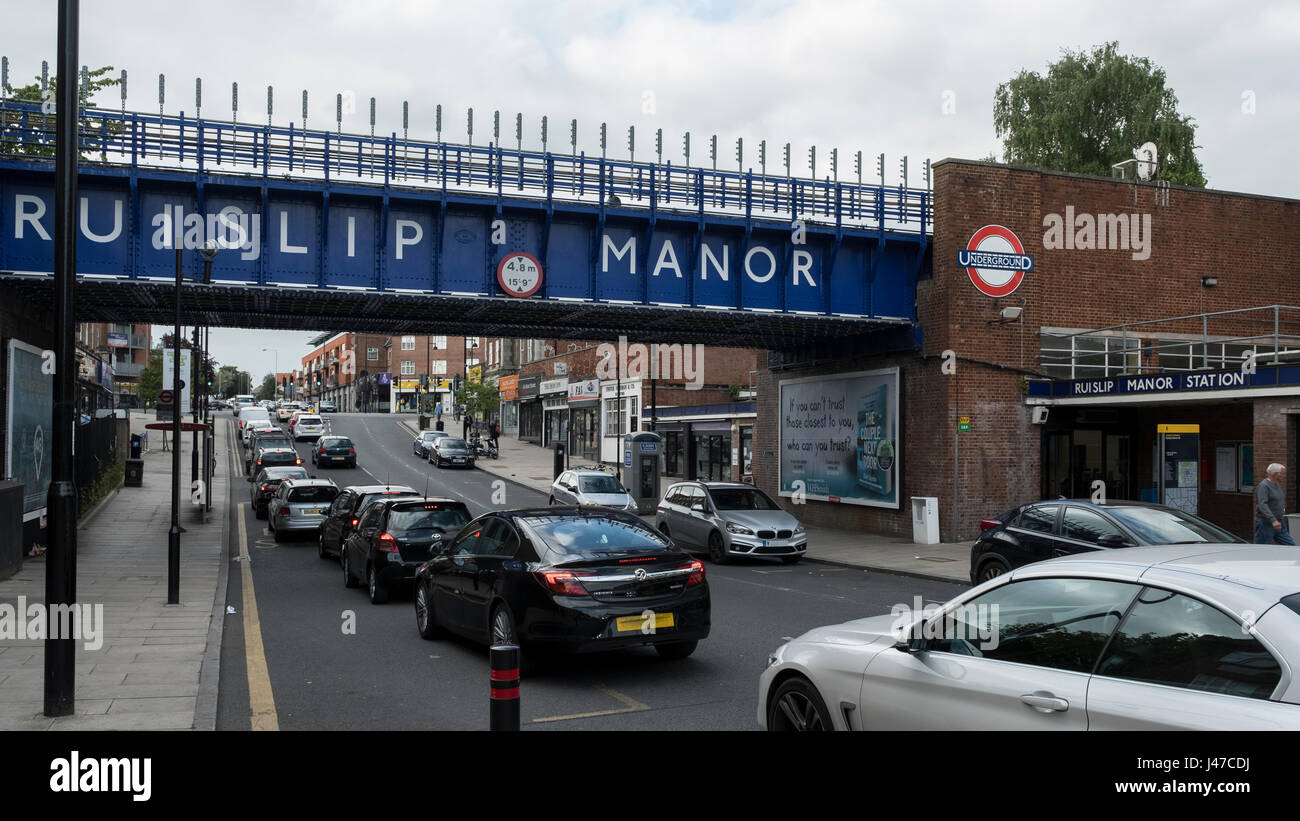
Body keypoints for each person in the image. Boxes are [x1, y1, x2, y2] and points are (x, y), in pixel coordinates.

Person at [1254, 463, 1295, 545]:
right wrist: (1273, 520)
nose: (1284, 476)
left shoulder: (1277, 485)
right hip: (1266, 524)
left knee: (1291, 546)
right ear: (1276, 474)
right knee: (1262, 550)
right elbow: (1262, 505)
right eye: (1283, 473)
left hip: (1279, 523)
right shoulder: (1264, 486)